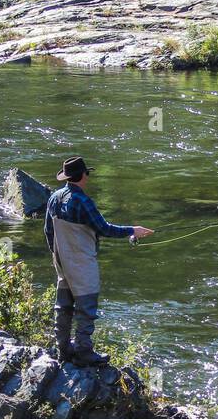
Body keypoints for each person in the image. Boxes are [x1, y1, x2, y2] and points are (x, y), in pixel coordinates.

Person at [44, 156, 152, 366]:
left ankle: (63, 350)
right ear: (83, 175)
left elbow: (48, 230)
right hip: (82, 261)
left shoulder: (54, 197)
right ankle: (84, 352)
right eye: (87, 173)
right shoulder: (83, 202)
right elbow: (105, 229)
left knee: (63, 306)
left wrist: (56, 255)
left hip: (61, 259)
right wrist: (133, 230)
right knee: (86, 306)